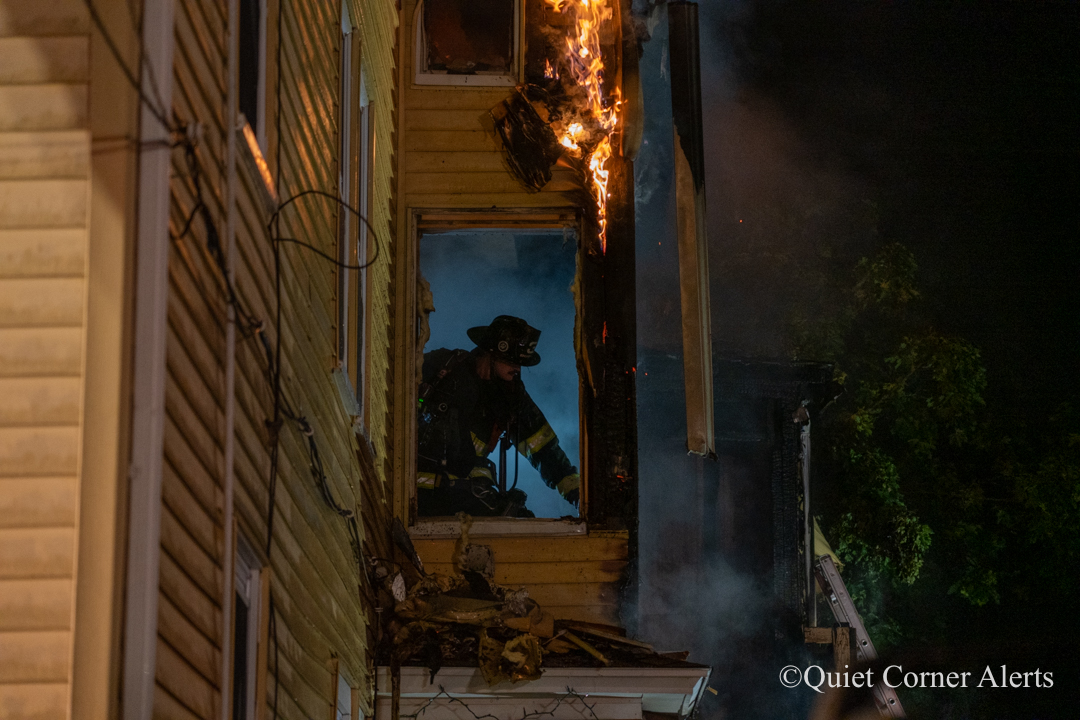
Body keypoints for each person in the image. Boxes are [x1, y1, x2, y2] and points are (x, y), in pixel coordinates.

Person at [416, 315, 580, 517]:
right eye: (511, 361)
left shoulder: (510, 396)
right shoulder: (445, 370)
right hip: (419, 497)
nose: (517, 369)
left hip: (465, 500)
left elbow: (544, 450)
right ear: (490, 354)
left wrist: (578, 494)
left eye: (520, 363)